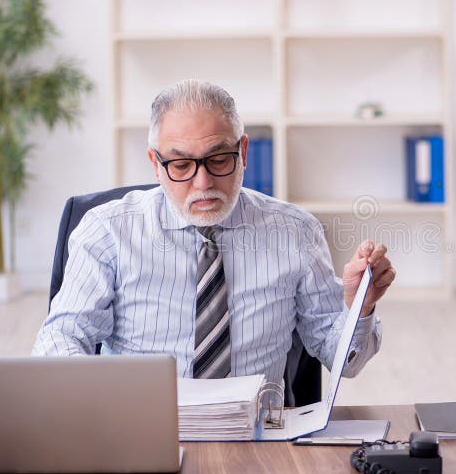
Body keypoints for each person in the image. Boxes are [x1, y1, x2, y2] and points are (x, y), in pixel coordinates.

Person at [32, 80, 395, 388]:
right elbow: (61, 337)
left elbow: (345, 361)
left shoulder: (296, 232)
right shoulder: (108, 231)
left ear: (243, 151)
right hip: (143, 430)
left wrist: (358, 306)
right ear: (155, 165)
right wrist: (86, 405)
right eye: (181, 165)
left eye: (219, 160)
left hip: (257, 437)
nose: (202, 183)